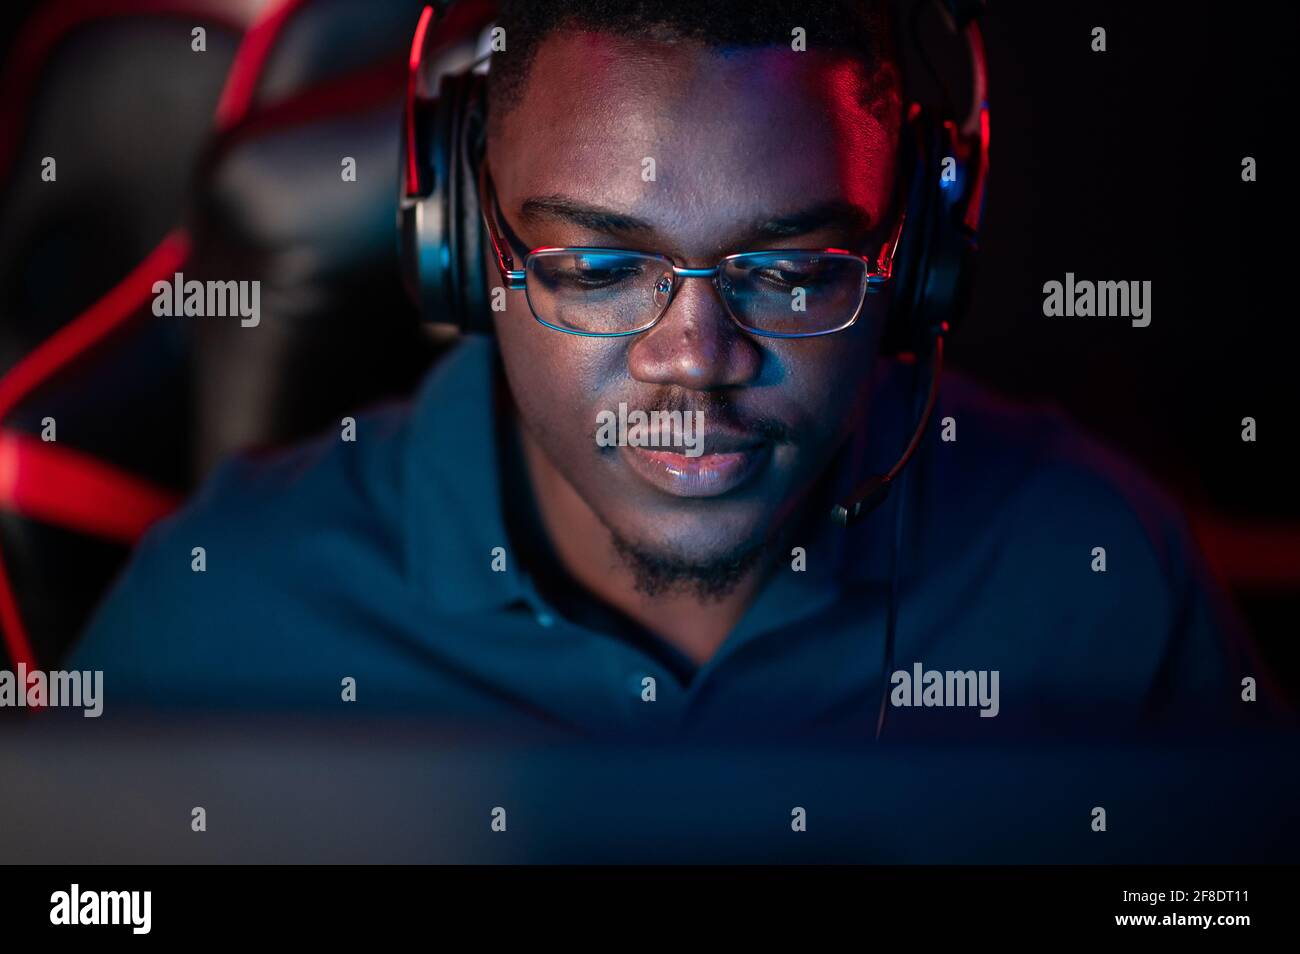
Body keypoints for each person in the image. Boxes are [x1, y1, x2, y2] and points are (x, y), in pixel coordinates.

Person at [68, 0, 1258, 742]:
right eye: (594, 265)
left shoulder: (1102, 583)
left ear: (918, 264)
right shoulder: (228, 612)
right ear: (466, 251)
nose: (697, 359)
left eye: (791, 271)